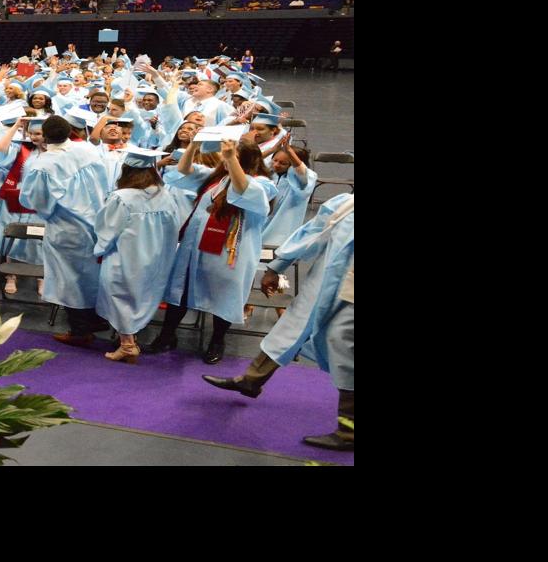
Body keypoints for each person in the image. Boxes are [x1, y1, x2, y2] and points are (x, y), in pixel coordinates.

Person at [203, 196, 354, 450]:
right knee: (291, 326)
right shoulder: (346, 203)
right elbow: (312, 233)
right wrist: (276, 267)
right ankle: (251, 380)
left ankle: (349, 431)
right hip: (325, 281)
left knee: (344, 345)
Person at [151, 137, 273, 364]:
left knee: (223, 295)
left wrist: (230, 159)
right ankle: (166, 336)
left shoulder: (262, 184)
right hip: (195, 247)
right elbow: (184, 169)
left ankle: (217, 341)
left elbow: (243, 189)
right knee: (182, 290)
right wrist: (194, 145)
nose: (225, 158)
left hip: (229, 253)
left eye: (232, 155)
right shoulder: (216, 178)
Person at [19, 113, 110, 347]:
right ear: (70, 131)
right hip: (97, 220)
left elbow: (32, 199)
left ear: (45, 137)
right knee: (91, 274)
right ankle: (97, 319)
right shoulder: (88, 150)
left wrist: (49, 211)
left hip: (66, 226)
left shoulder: (45, 163)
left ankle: (80, 330)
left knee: (69, 279)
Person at [92, 147, 182, 363]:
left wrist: (100, 248)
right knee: (141, 296)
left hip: (126, 256)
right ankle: (130, 339)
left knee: (120, 295)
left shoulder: (122, 197)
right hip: (156, 258)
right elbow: (174, 227)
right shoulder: (166, 195)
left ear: (126, 171)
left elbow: (108, 228)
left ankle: (128, 345)